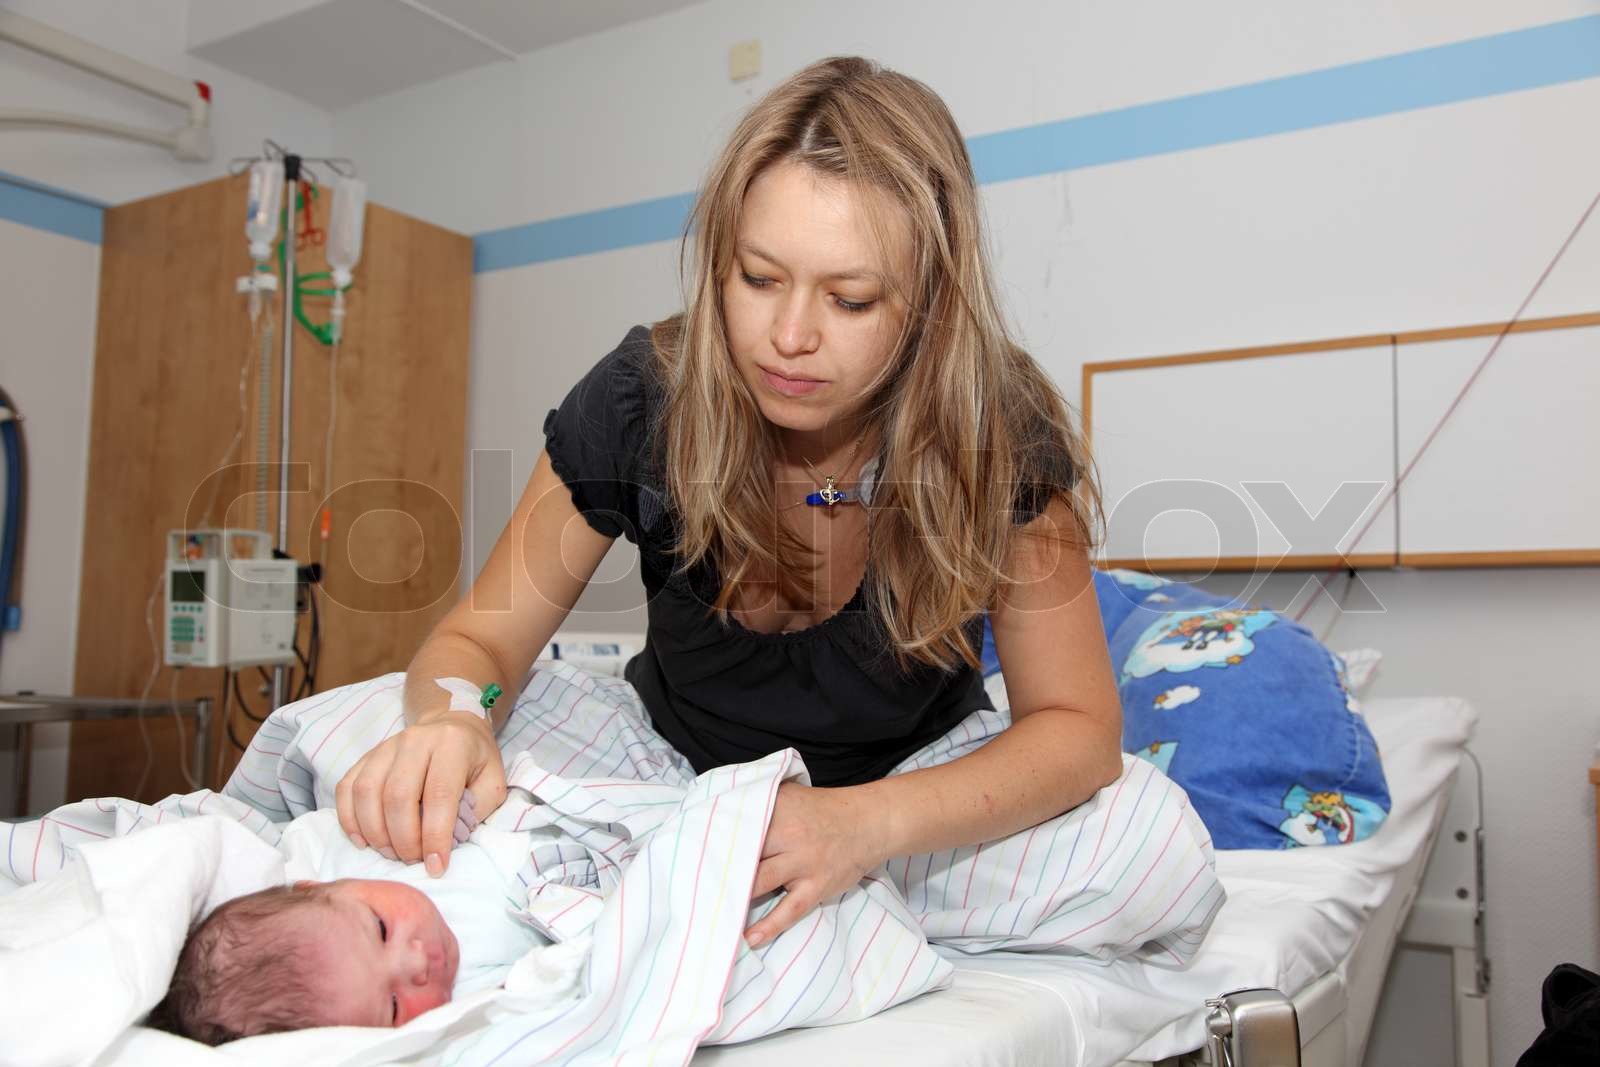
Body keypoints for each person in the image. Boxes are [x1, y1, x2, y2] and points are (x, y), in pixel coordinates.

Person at [334, 55, 1122, 951]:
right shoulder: (641, 401)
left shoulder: (996, 425)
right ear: (717, 266)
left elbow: (1079, 729)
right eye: (758, 278)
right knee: (362, 734)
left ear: (931, 309)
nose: (789, 336)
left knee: (1148, 836)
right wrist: (454, 720)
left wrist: (865, 824)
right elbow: (478, 643)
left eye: (851, 299)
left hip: (912, 805)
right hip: (669, 782)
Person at [149, 879, 461, 1041]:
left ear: (316, 885)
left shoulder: (374, 840)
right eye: (393, 1007)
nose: (418, 963)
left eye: (381, 929)